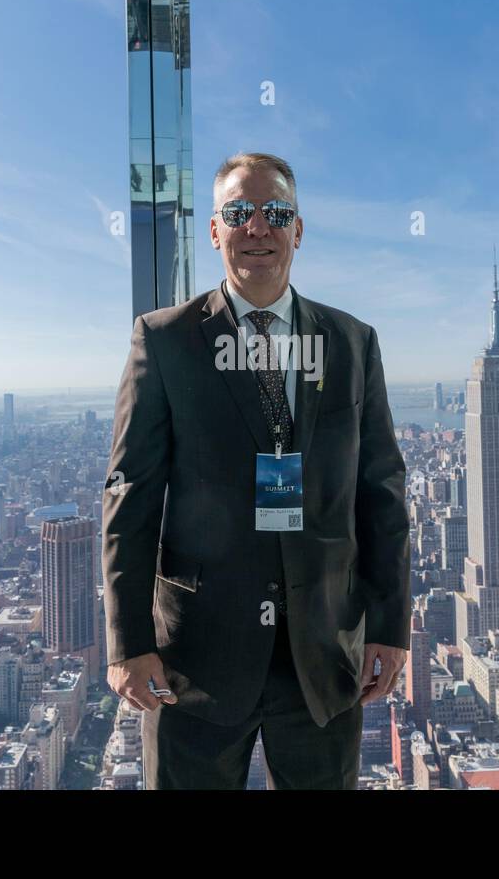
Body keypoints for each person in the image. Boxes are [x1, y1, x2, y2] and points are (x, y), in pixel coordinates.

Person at [102, 151, 410, 789]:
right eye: (239, 212)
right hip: (194, 663)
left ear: (299, 228)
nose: (257, 228)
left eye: (276, 212)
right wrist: (129, 643)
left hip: (323, 655)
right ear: (215, 231)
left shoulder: (353, 343)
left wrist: (388, 627)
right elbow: (130, 496)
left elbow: (381, 492)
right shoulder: (165, 340)